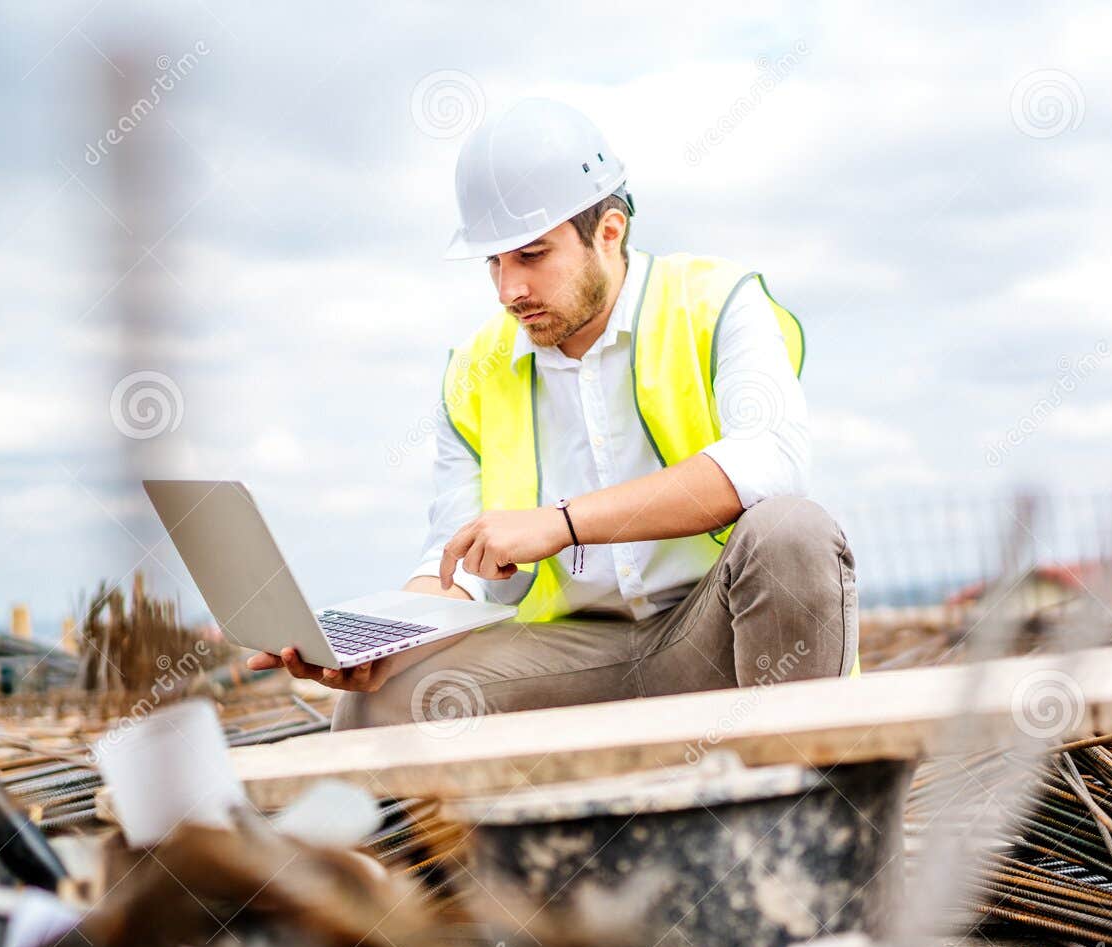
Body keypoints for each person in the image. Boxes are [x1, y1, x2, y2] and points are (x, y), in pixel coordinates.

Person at [248, 97, 857, 729]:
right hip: (579, 657)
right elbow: (458, 570)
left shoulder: (716, 303)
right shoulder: (475, 372)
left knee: (792, 531)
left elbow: (770, 463)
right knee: (378, 706)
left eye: (532, 255)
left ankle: (806, 813)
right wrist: (375, 645)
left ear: (609, 232)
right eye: (495, 262)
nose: (510, 290)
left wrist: (563, 524)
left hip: (719, 636)